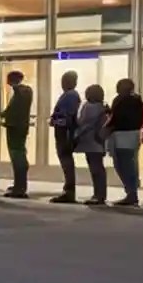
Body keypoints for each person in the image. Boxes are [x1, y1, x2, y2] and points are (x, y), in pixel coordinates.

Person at [107, 78, 143, 206]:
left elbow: (115, 117)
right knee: (128, 163)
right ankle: (131, 191)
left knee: (123, 164)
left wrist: (105, 128)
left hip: (123, 135)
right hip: (133, 135)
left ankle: (131, 193)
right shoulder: (137, 100)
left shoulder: (120, 100)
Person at [49, 70, 81, 204]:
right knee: (66, 161)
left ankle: (69, 191)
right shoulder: (70, 95)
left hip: (65, 133)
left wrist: (54, 120)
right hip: (64, 131)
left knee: (66, 161)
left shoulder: (70, 96)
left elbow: (67, 116)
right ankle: (68, 190)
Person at [74, 84, 109, 205]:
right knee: (99, 168)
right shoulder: (103, 107)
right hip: (99, 140)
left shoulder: (87, 107)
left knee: (94, 169)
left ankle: (97, 195)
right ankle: (101, 194)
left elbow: (81, 121)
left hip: (89, 140)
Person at [1, 70, 34, 199]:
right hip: (19, 128)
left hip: (15, 128)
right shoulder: (24, 92)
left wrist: (4, 117)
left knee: (17, 157)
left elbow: (13, 111)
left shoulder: (21, 92)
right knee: (19, 155)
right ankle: (19, 184)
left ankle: (20, 187)